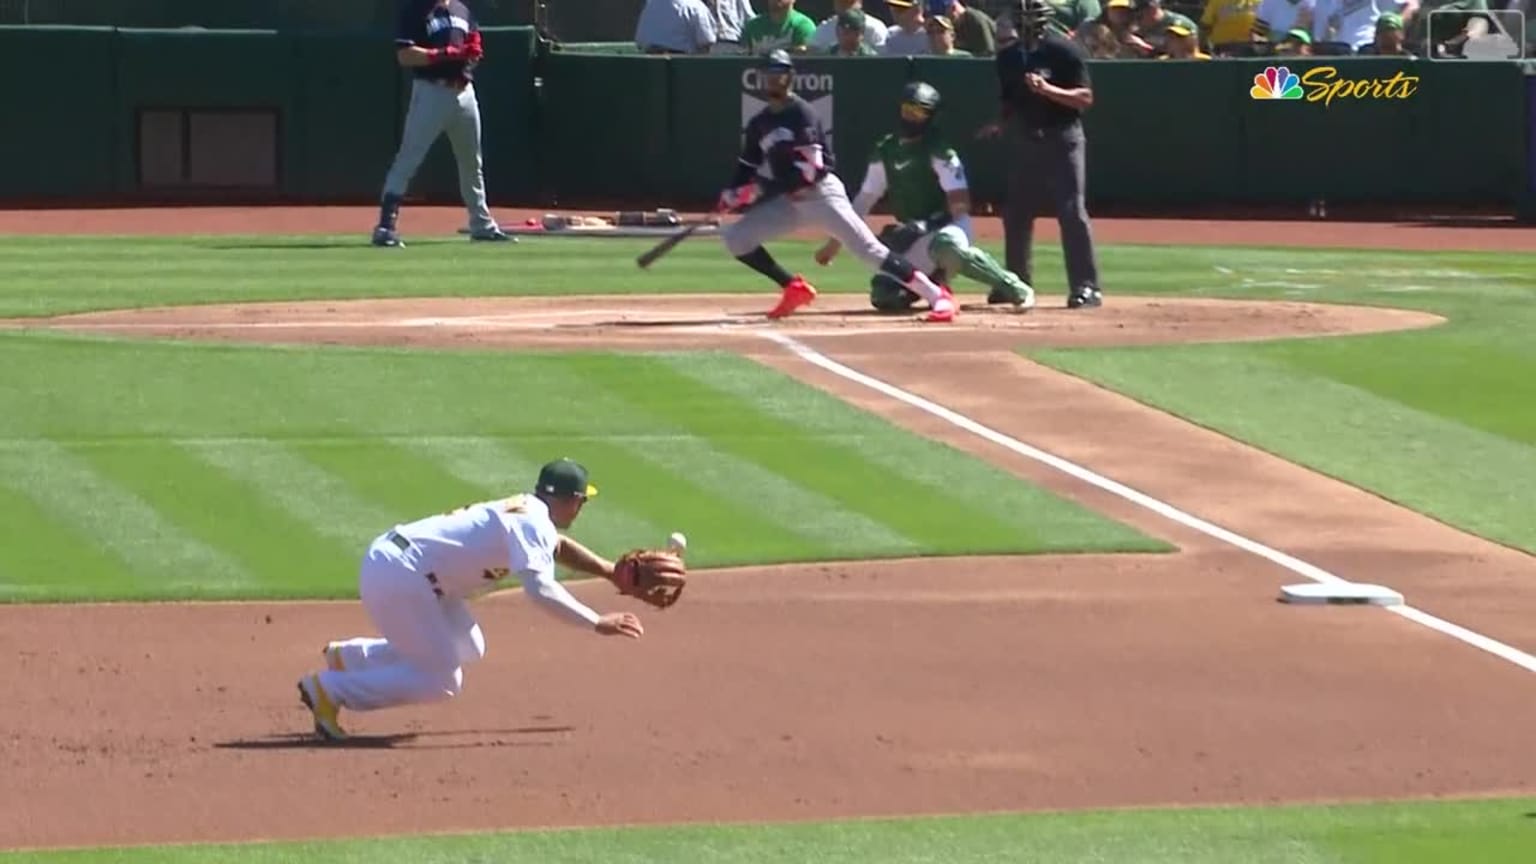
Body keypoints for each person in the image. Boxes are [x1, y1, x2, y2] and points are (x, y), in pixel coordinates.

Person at [296, 459, 648, 741]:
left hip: (404, 569)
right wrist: (596, 622)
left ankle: (352, 657)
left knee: (468, 646)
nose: (581, 508)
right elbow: (540, 589)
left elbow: (556, 547)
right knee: (442, 681)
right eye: (582, 501)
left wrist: (608, 570)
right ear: (571, 500)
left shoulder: (528, 511)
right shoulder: (532, 524)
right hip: (401, 577)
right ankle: (331, 690)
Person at [717, 50, 958, 322]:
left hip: (822, 195)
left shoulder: (802, 114)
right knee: (737, 238)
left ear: (790, 77)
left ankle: (938, 296)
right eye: (769, 74)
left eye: (780, 74)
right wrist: (733, 190)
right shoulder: (759, 123)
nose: (774, 80)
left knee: (869, 251)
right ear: (760, 78)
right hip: (790, 202)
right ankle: (793, 287)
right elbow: (747, 164)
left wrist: (758, 190)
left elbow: (810, 172)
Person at [816, 81, 1035, 312]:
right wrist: (835, 243)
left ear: (930, 117)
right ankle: (936, 283)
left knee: (947, 246)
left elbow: (960, 203)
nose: (911, 117)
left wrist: (926, 224)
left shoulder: (939, 150)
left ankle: (1014, 288)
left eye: (918, 112)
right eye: (907, 110)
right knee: (884, 294)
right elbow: (864, 200)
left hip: (947, 225)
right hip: (912, 233)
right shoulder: (886, 150)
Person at [981, 0, 1102, 309]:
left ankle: (1086, 286)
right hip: (1026, 138)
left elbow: (1085, 98)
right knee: (1016, 213)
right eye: (1019, 19)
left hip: (1063, 138)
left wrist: (1049, 90)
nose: (1022, 26)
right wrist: (998, 123)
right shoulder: (1008, 58)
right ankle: (1016, 282)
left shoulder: (1064, 50)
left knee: (1071, 212)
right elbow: (1010, 99)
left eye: (1028, 19)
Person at [373, 0, 513, 248]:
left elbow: (472, 43)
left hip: (464, 92)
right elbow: (405, 55)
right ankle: (385, 227)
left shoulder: (461, 9)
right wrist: (442, 55)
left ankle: (481, 224)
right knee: (408, 159)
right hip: (431, 91)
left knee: (472, 162)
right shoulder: (415, 9)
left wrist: (472, 53)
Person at [634, 0, 719, 54]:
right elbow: (706, 41)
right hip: (684, 69)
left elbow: (640, 41)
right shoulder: (695, 6)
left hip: (651, 69)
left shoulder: (650, 5)